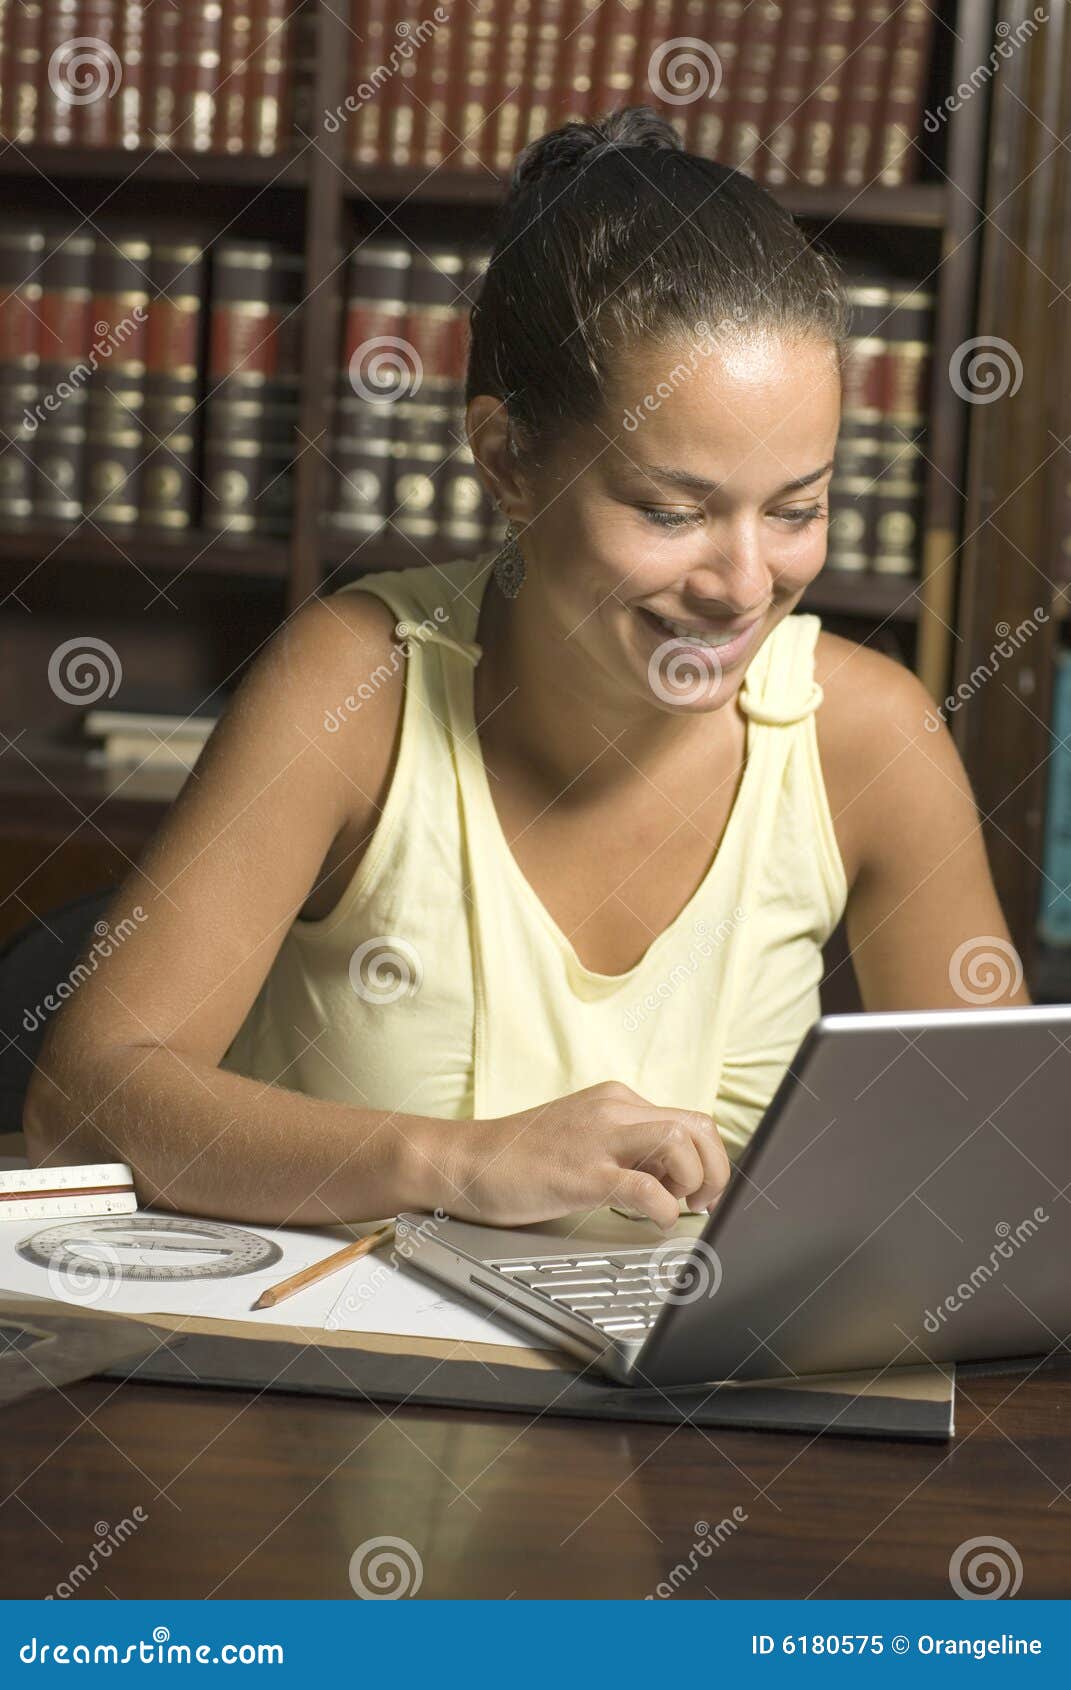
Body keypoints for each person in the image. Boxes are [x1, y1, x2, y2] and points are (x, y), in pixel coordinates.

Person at [23, 107, 1029, 1231]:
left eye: (797, 509)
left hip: (694, 1353)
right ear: (507, 461)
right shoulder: (357, 682)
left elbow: (998, 1176)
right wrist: (459, 1163)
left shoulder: (869, 736)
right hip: (326, 1349)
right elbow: (82, 1103)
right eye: (671, 511)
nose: (745, 584)